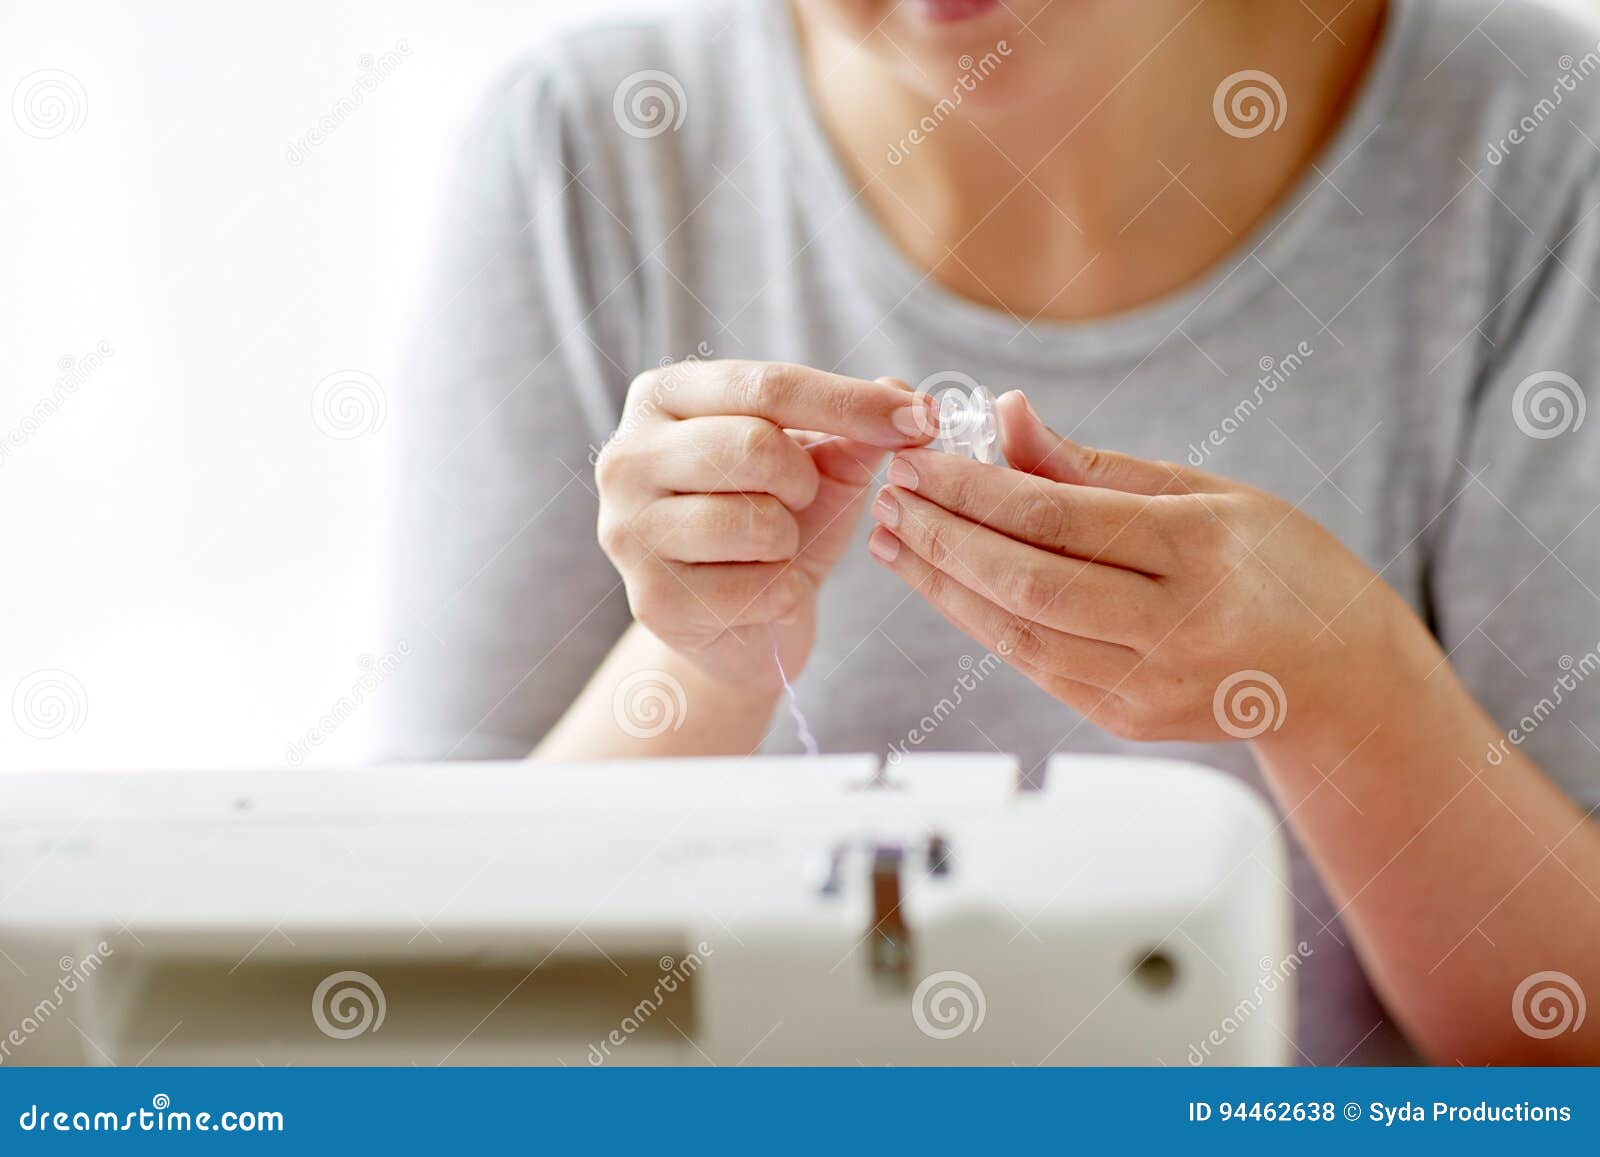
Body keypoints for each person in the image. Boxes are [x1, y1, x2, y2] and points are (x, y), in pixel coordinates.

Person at [383, 0, 1600, 1065]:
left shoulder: (1539, 142)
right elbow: (435, 1003)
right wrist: (702, 665)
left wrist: (1338, 681)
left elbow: (1564, 1038)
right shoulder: (588, 148)